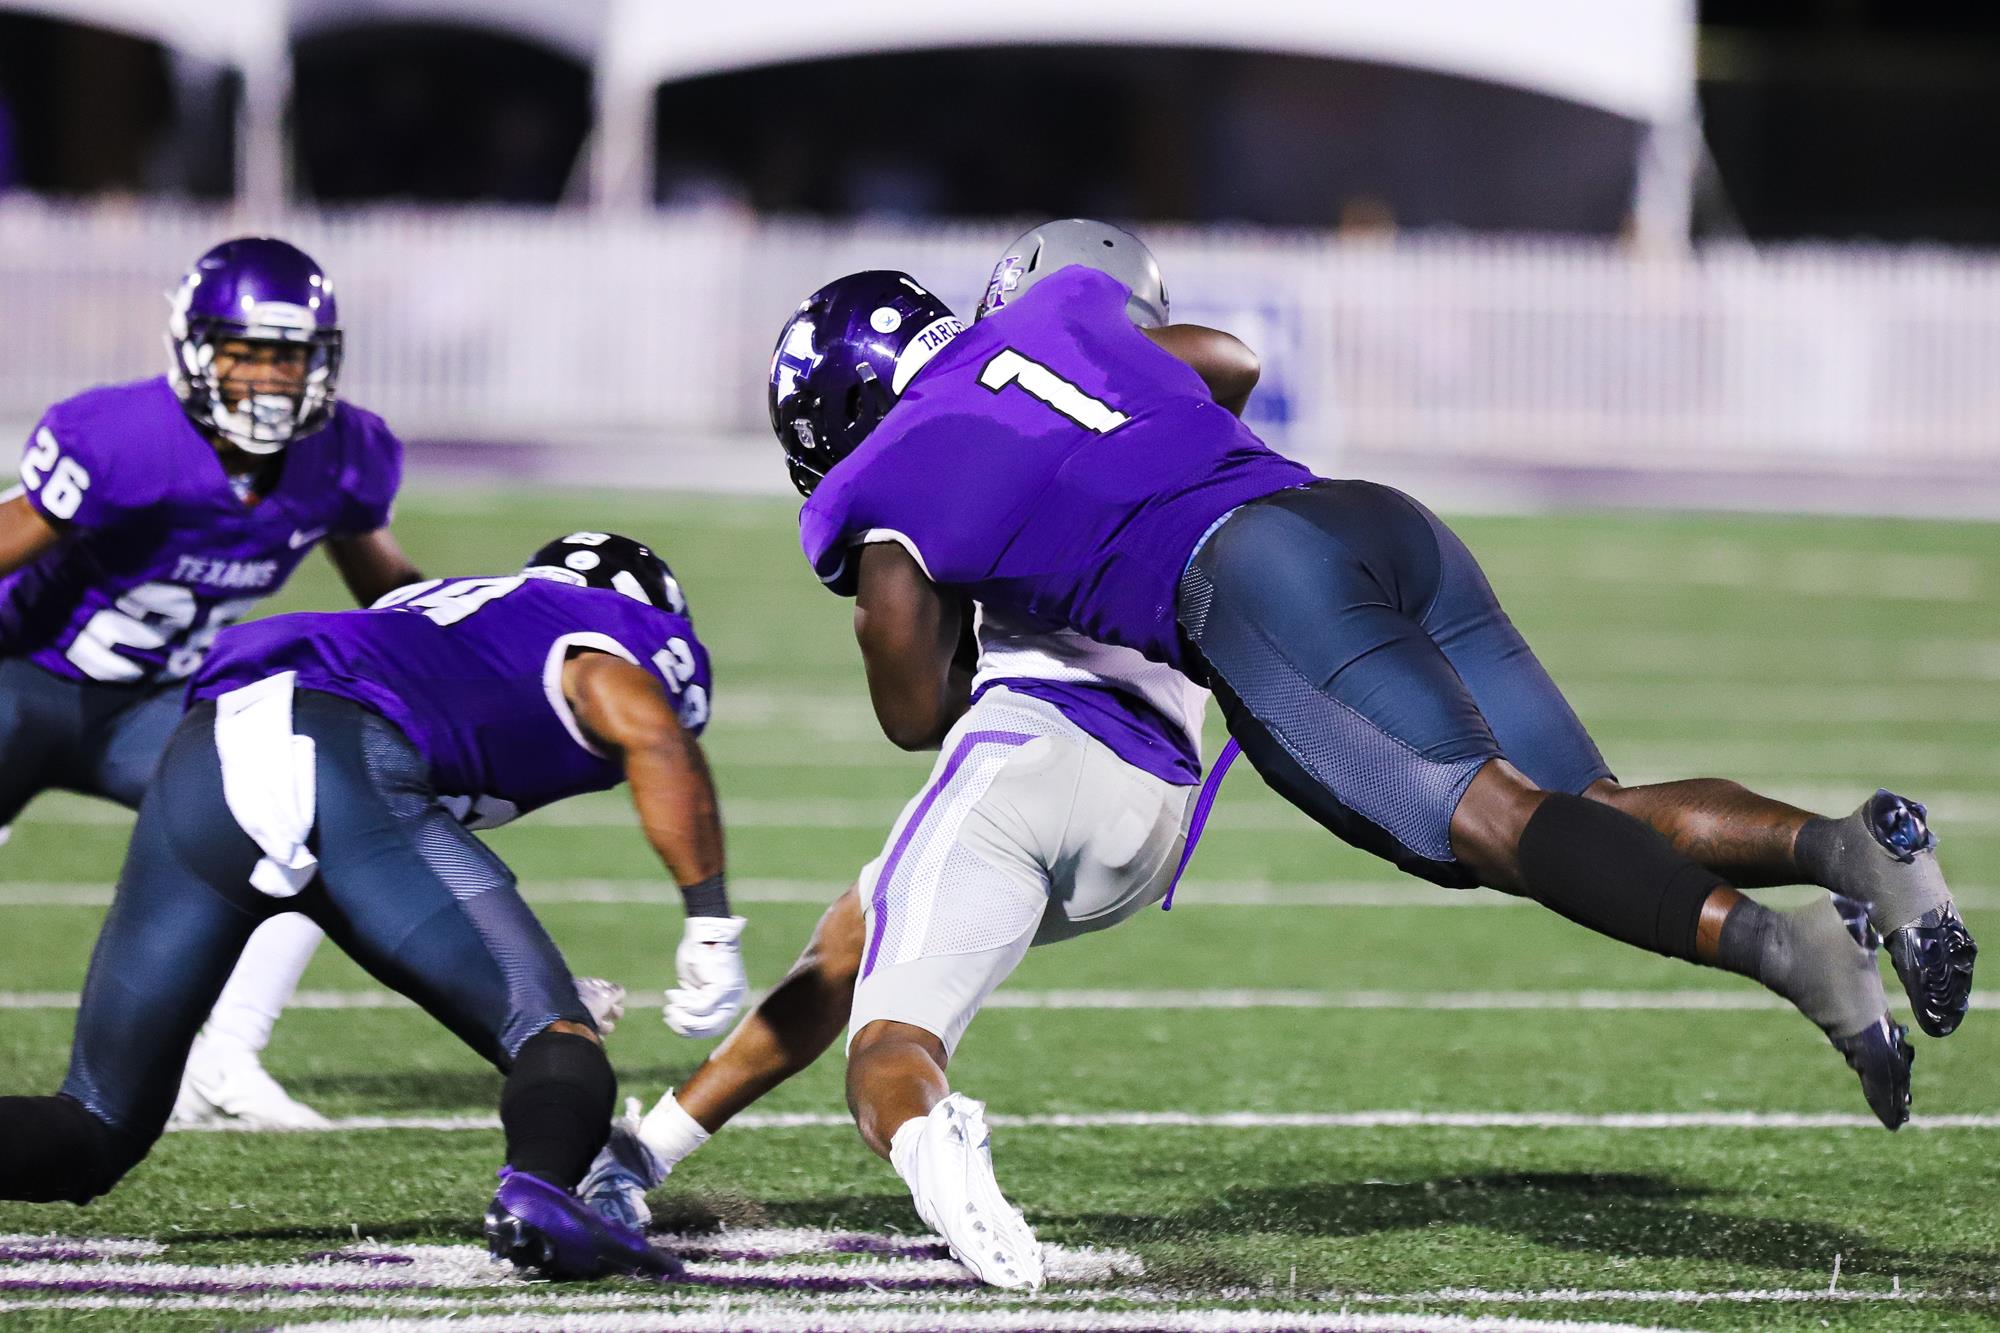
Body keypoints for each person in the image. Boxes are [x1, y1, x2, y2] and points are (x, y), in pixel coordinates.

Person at [763, 254, 1974, 1149]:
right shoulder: (1057, 307)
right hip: (1365, 519)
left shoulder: (882, 476)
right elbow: (1225, 361)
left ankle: (1793, 952)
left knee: (1491, 827)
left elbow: (915, 710)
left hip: (1250, 580)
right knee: (1580, 806)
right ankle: (1842, 848)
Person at [586, 223, 1221, 1291]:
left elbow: (913, 711)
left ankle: (934, 1146)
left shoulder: (921, 454)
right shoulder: (1125, 420)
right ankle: (646, 1151)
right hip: (1159, 811)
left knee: (886, 1043)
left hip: (1038, 753)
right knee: (854, 934)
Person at [0, 533, 738, 1282]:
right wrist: (708, 919)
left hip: (207, 750)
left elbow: (353, 876)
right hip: (338, 751)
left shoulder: (443, 609)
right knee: (553, 1031)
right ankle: (541, 1196)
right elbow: (646, 727)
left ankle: (548, 1174)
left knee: (94, 1125)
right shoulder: (613, 631)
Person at [0, 236, 426, 1129]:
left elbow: (385, 585)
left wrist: (460, 636)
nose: (269, 377)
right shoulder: (119, 436)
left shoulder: (344, 454)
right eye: (246, 352)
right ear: (197, 349)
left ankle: (223, 1059)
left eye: (289, 355)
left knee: (305, 816)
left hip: (151, 707)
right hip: (23, 681)